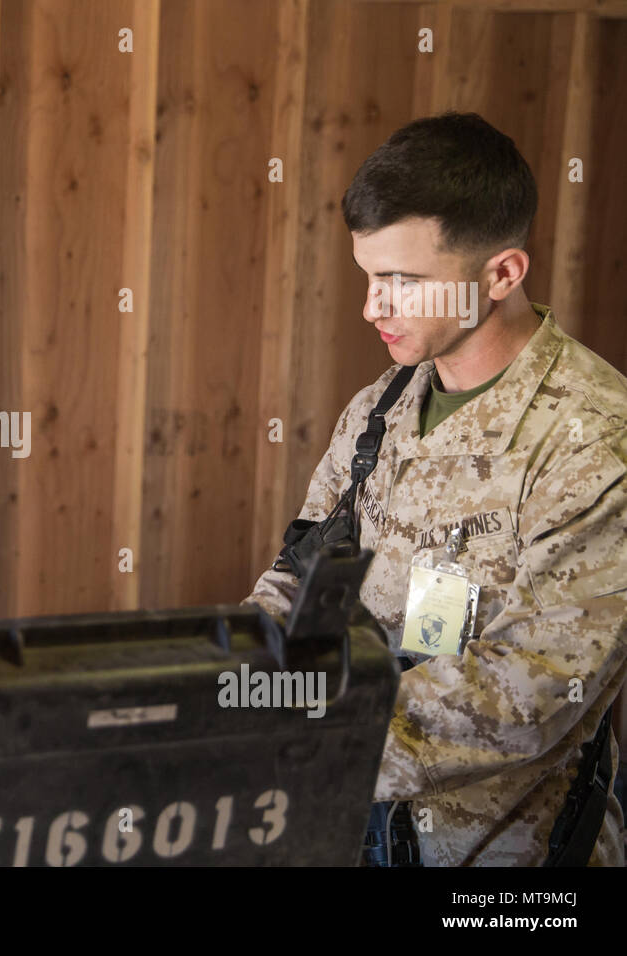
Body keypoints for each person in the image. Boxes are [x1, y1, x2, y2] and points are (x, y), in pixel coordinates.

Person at [248, 112, 626, 866]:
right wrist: (231, 685)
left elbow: (531, 692)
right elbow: (298, 582)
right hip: (348, 833)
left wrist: (304, 737)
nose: (372, 307)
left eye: (404, 282)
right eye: (369, 276)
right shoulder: (381, 408)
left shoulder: (591, 439)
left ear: (501, 275)